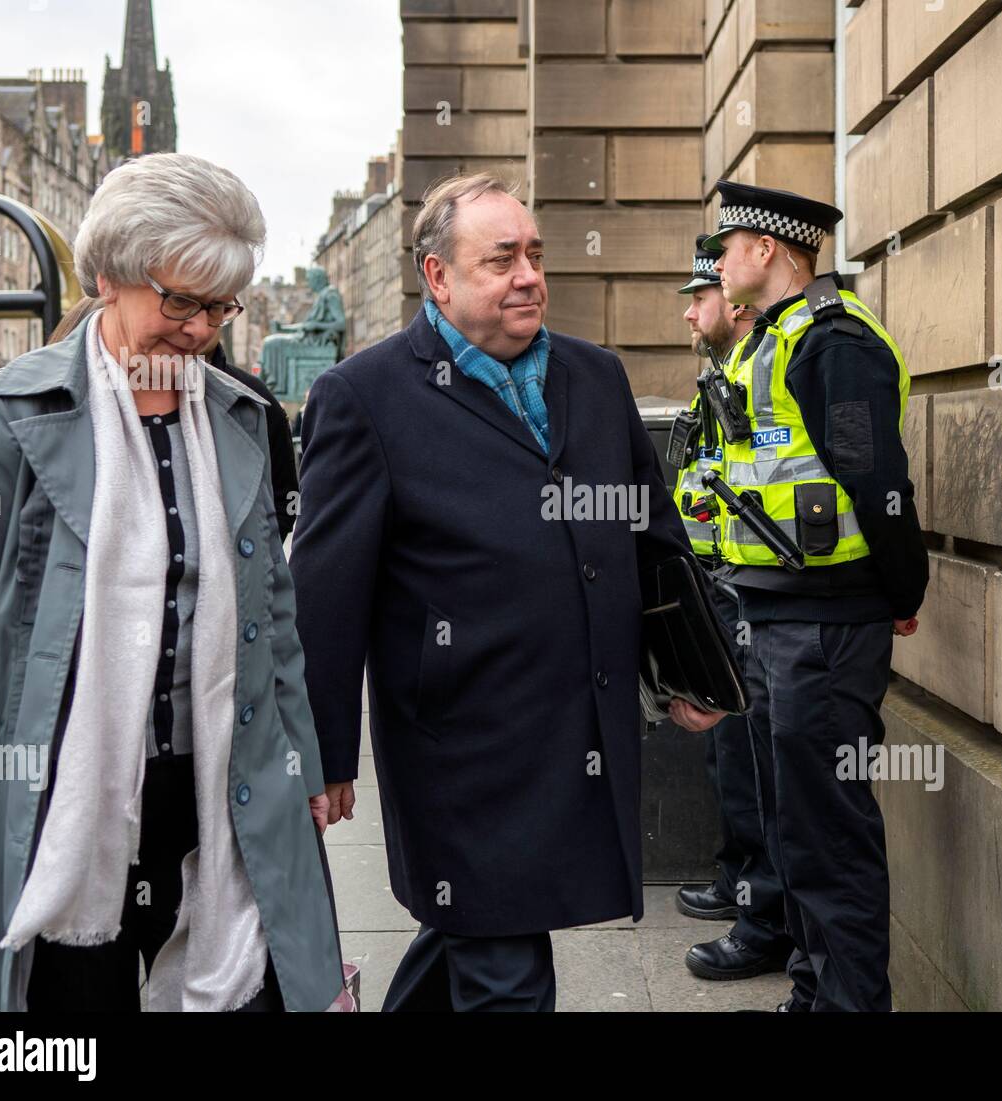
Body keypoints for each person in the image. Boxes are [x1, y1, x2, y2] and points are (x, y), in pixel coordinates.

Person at [290, 173, 722, 1012]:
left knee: (476, 932)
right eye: (501, 260)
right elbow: (326, 594)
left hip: (582, 723)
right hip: (460, 746)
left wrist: (687, 668)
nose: (528, 274)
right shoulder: (363, 397)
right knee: (503, 966)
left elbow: (653, 536)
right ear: (439, 278)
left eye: (534, 255)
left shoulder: (596, 377)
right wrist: (326, 751)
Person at [0, 152, 342, 1012]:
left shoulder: (243, 418)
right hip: (59, 801)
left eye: (220, 304)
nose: (202, 329)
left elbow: (272, 611)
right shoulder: (1, 416)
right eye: (181, 300)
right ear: (106, 275)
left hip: (220, 789)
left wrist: (303, 759)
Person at [704, 180, 928, 1012]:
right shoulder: (771, 342)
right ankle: (816, 989)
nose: (719, 262)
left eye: (728, 246)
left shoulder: (834, 345)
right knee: (793, 826)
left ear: (768, 250)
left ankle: (848, 1004)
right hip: (778, 618)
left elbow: (878, 482)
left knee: (828, 832)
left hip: (828, 626)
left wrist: (903, 588)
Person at [670, 235, 796, 981]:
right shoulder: (723, 376)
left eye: (701, 297)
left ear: (738, 308)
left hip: (753, 591)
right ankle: (741, 883)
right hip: (720, 586)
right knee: (731, 759)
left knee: (756, 764)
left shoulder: (761, 371)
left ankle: (764, 918)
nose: (692, 314)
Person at [52, 297, 301, 543]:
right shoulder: (57, 401)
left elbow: (287, 498)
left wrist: (250, 555)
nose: (199, 326)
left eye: (215, 309)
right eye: (183, 303)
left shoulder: (252, 400)